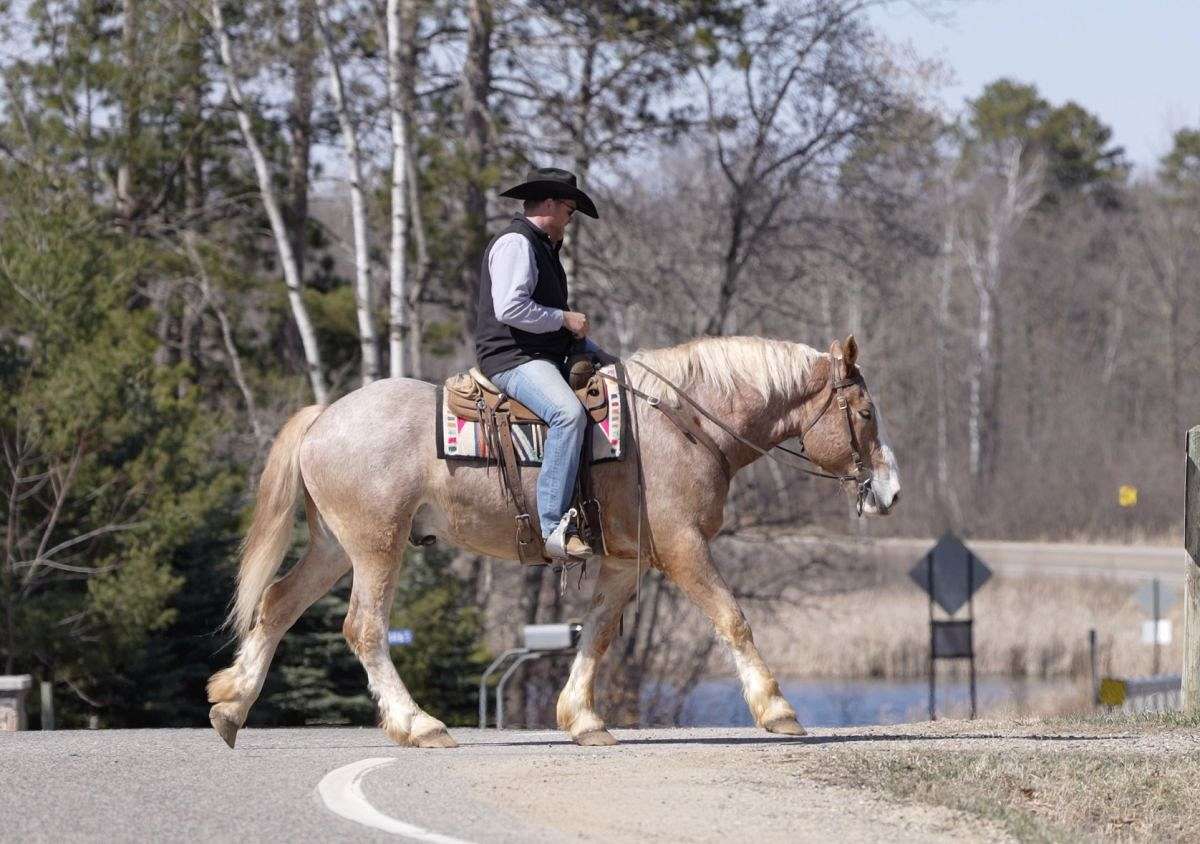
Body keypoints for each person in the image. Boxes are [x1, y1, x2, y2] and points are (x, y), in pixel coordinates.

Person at [474, 166, 613, 560]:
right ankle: (552, 527)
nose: (570, 220)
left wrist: (599, 352)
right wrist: (564, 318)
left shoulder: (542, 246)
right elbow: (510, 308)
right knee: (568, 415)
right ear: (550, 204)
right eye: (570, 210)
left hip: (542, 354)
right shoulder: (516, 244)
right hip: (512, 358)